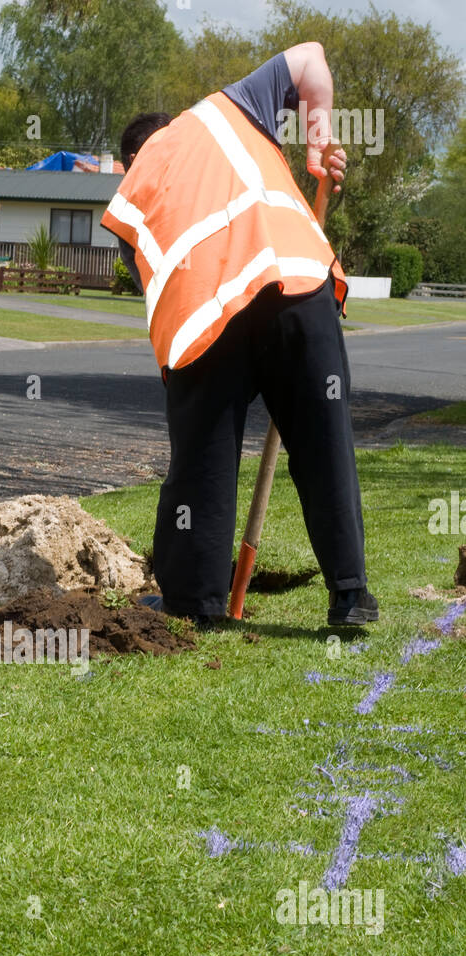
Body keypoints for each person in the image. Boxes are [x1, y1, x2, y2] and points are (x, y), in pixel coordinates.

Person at [102, 44, 378, 627]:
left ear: (132, 158)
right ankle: (350, 595)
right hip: (300, 288)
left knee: (201, 461)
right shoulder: (229, 109)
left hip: (209, 319)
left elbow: (163, 305)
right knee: (326, 442)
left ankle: (194, 601)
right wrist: (318, 140)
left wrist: (189, 399)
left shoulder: (131, 193)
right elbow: (311, 58)